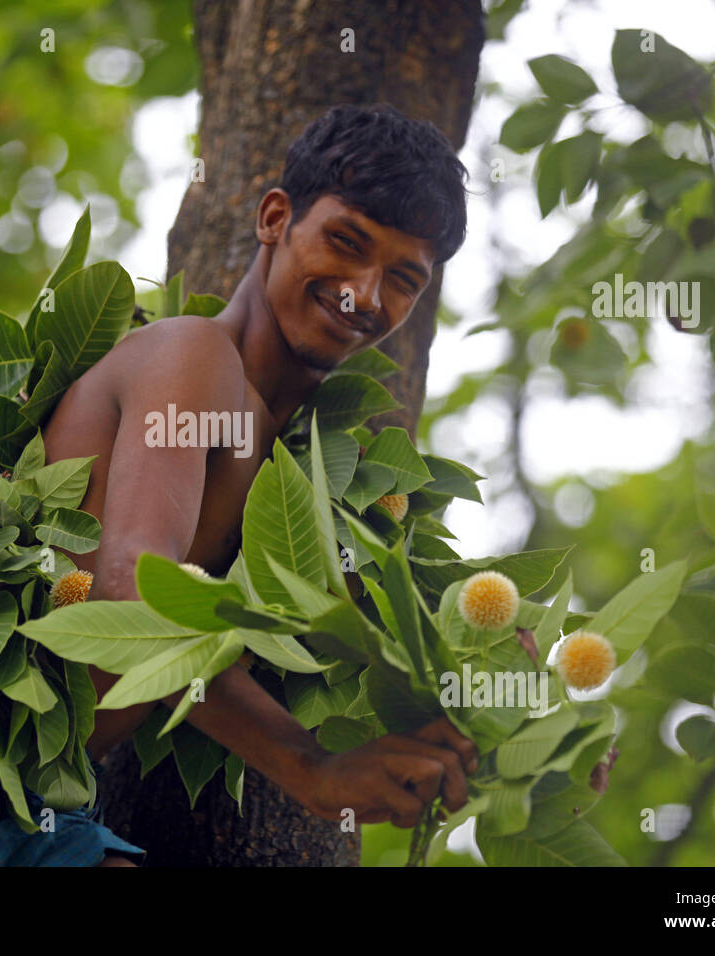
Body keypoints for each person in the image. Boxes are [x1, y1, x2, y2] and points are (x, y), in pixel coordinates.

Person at [40, 102, 479, 866]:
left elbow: (388, 649)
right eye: (346, 243)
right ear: (275, 217)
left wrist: (533, 739)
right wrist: (313, 770)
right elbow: (134, 591)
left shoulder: (304, 481)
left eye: (403, 278)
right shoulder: (194, 355)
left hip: (48, 817)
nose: (365, 294)